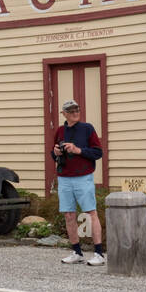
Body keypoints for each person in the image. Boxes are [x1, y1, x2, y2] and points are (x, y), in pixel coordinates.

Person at [50, 99, 105, 265]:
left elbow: (98, 152)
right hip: (64, 177)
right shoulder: (60, 131)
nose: (75, 113)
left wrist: (78, 150)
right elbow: (53, 155)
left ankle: (99, 254)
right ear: (64, 114)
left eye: (77, 110)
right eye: (71, 111)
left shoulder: (87, 129)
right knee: (68, 215)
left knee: (91, 212)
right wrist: (56, 152)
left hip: (83, 177)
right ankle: (77, 252)